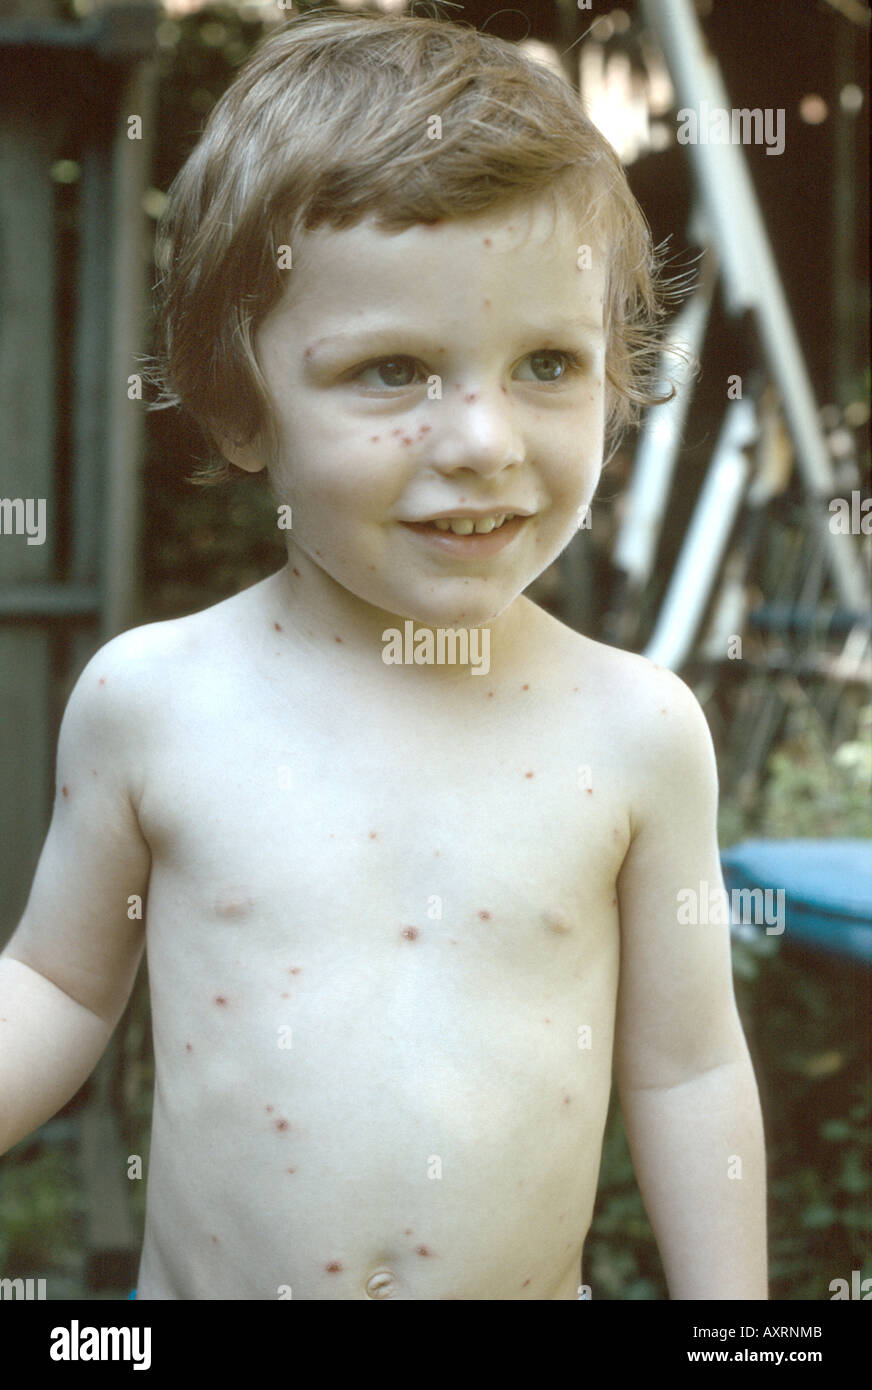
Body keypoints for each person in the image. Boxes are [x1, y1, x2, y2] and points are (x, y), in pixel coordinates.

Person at [0, 8, 767, 1300]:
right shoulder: (156, 701)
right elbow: (56, 986)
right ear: (241, 406)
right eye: (394, 369)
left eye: (546, 363)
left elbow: (687, 1071)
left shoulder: (636, 732)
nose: (480, 440)